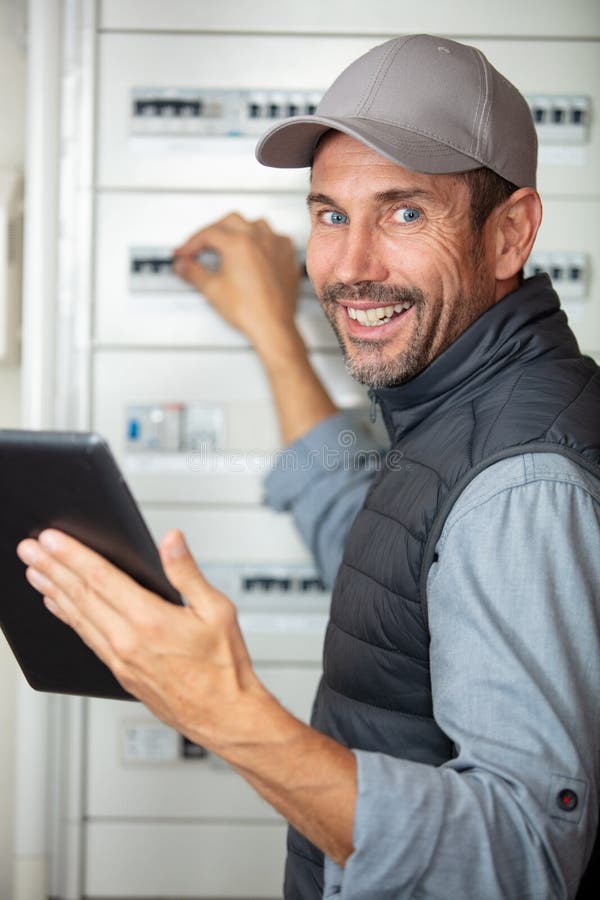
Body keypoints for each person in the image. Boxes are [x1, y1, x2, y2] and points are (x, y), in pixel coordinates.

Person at [17, 34, 600, 899]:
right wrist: (275, 334)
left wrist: (225, 713)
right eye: (331, 214)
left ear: (510, 232)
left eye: (404, 213)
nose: (351, 267)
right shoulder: (459, 406)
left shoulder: (519, 482)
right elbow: (379, 547)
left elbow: (521, 858)